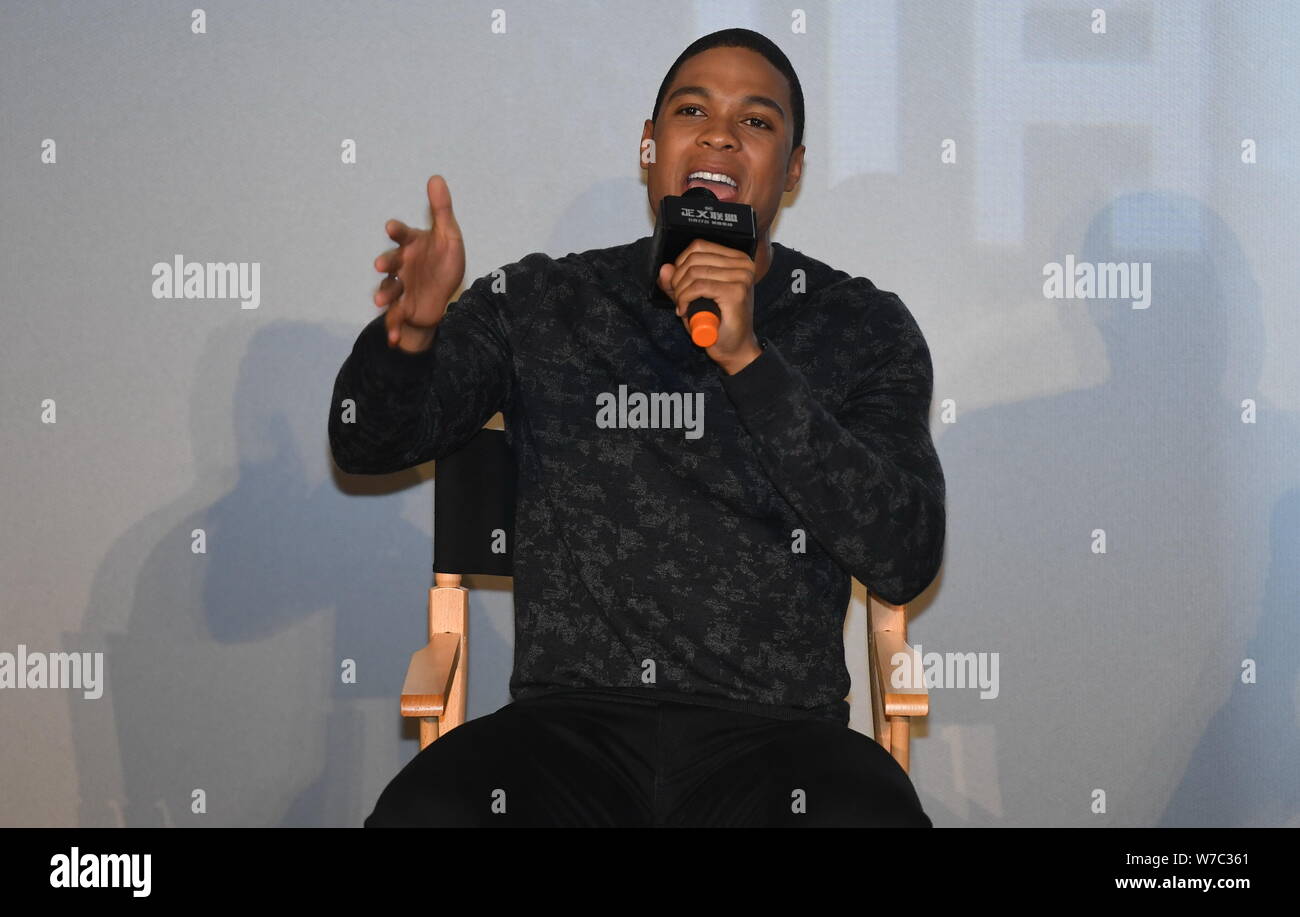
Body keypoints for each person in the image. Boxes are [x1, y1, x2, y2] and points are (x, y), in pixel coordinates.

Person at [330, 28, 944, 827]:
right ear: (650, 148)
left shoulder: (863, 326)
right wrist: (410, 337)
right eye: (693, 110)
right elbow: (367, 441)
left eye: (756, 121)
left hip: (780, 742)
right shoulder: (543, 301)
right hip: (568, 735)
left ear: (792, 170)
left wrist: (750, 360)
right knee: (427, 813)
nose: (721, 132)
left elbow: (904, 554)